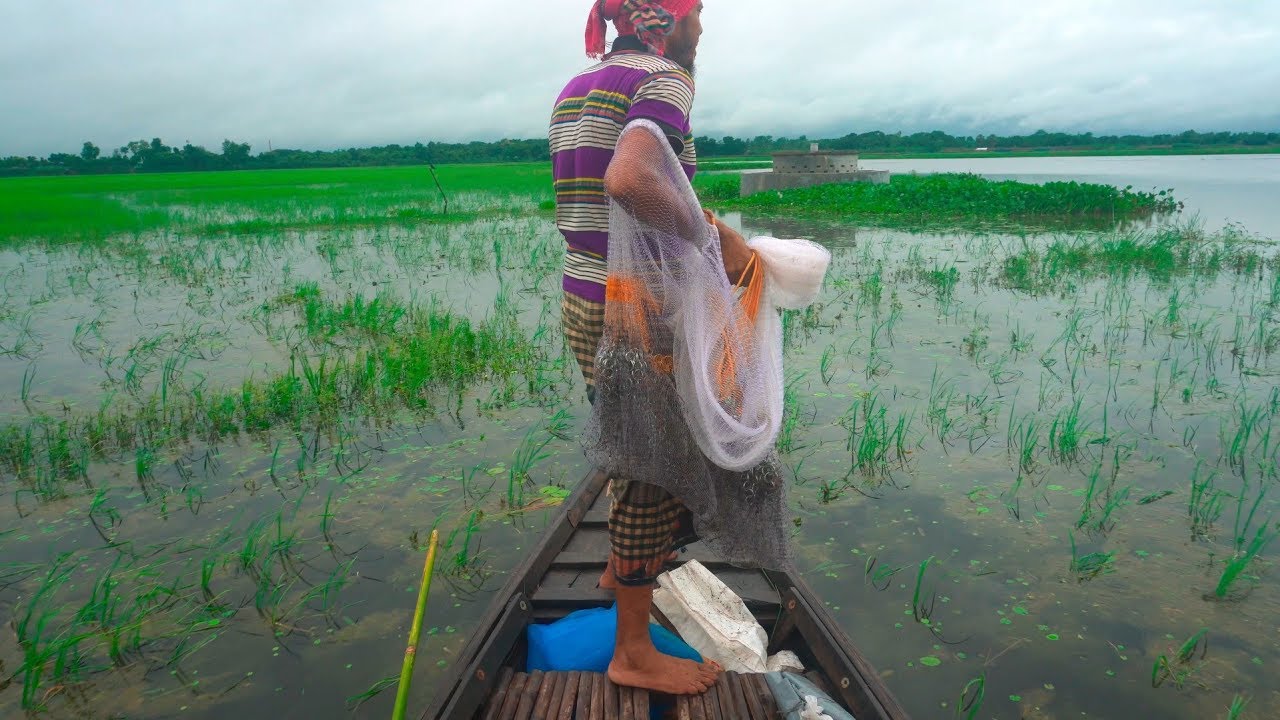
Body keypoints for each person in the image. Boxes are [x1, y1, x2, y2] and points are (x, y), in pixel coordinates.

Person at [550, 0, 754, 696]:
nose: (702, 30)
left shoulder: (580, 86)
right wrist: (713, 238)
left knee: (625, 438)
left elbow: (607, 196)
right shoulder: (664, 79)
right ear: (666, 20)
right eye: (697, 14)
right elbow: (631, 181)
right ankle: (633, 652)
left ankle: (618, 571)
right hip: (636, 309)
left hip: (585, 296)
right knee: (654, 470)